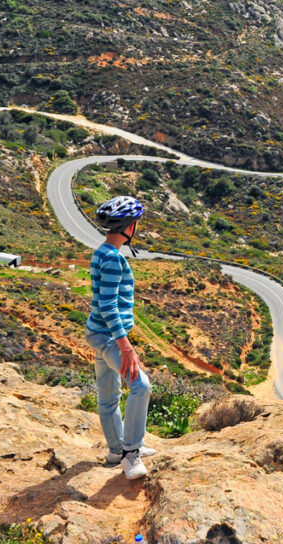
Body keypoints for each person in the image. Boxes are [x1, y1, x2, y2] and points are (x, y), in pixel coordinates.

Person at [83, 195, 156, 480]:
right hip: (109, 337)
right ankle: (131, 453)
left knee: (109, 396)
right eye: (136, 223)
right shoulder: (113, 259)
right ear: (129, 227)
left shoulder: (101, 251)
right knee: (141, 385)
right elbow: (108, 304)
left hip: (97, 333)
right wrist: (126, 347)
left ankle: (116, 450)